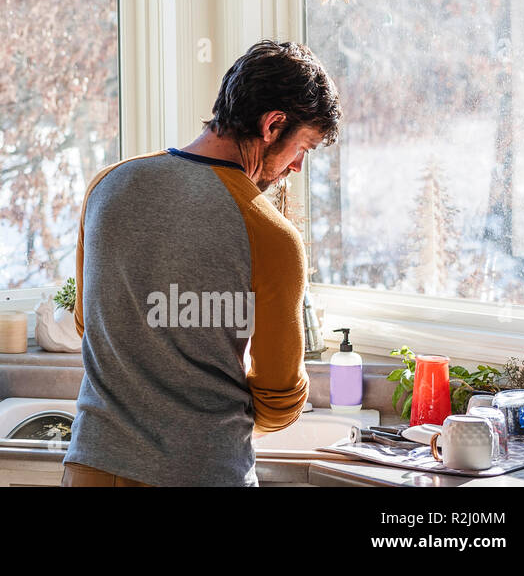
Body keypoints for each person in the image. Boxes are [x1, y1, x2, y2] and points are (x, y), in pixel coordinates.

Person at [61, 40, 342, 486]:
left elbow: (86, 323)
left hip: (91, 467)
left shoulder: (109, 185)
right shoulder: (270, 234)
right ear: (272, 125)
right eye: (302, 147)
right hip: (200, 473)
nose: (296, 167)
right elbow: (280, 395)